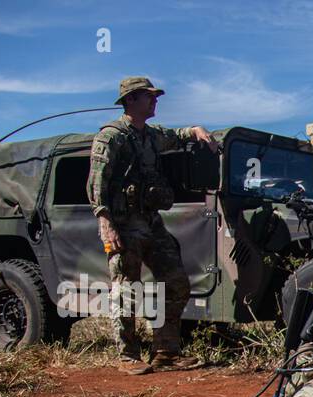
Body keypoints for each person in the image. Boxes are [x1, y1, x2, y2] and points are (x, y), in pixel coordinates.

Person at [87, 76, 218, 374]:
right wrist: (104, 221)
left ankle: (166, 352)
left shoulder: (150, 135)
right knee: (126, 287)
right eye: (149, 96)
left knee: (175, 281)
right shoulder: (111, 137)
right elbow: (97, 181)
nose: (155, 100)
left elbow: (175, 135)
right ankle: (128, 355)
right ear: (131, 100)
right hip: (122, 222)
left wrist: (195, 130)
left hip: (150, 221)